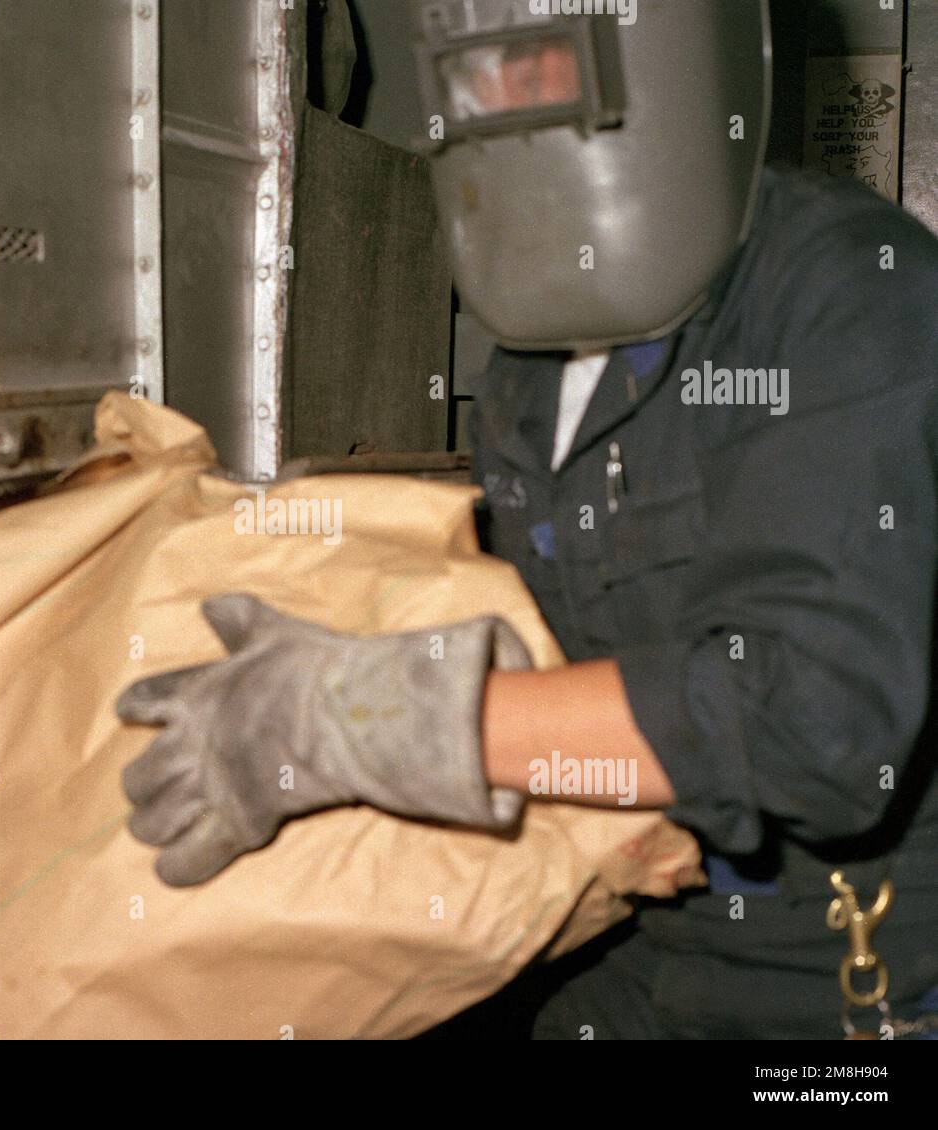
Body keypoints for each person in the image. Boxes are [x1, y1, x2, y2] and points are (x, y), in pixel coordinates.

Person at [116, 0, 938, 1039]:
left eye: (545, 64)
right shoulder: (530, 372)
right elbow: (554, 668)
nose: (506, 107)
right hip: (628, 946)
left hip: (845, 997)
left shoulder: (851, 295)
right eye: (475, 75)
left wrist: (362, 717)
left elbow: (812, 724)